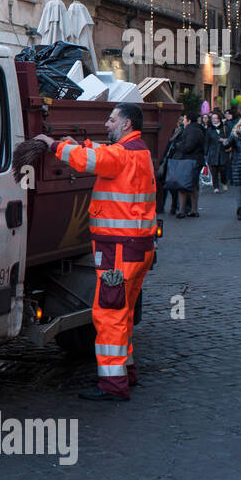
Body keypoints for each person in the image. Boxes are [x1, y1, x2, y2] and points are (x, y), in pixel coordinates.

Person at [35, 103, 156, 401]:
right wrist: (82, 144)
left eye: (112, 119)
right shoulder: (138, 151)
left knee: (109, 316)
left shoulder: (121, 154)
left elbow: (91, 161)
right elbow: (101, 155)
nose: (107, 123)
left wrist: (52, 145)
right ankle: (127, 372)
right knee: (123, 314)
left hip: (118, 250)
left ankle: (114, 386)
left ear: (126, 124)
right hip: (136, 248)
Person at [175, 112, 206, 217]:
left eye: (184, 119)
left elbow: (188, 147)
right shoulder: (198, 129)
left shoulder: (191, 131)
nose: (183, 121)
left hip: (189, 161)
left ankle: (183, 210)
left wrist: (178, 145)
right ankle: (192, 209)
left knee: (184, 186)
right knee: (193, 185)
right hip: (195, 160)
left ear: (189, 120)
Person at [157, 121, 184, 216]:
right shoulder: (177, 133)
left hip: (172, 160)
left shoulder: (179, 133)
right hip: (168, 160)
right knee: (165, 184)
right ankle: (164, 205)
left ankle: (172, 205)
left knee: (170, 185)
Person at [202, 113, 225, 196]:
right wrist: (205, 152)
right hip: (213, 151)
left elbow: (229, 137)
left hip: (222, 151)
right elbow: (206, 141)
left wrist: (225, 141)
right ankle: (216, 187)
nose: (214, 120)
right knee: (214, 170)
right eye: (213, 118)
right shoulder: (209, 129)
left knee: (222, 168)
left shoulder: (224, 128)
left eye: (216, 118)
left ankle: (223, 181)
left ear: (219, 119)